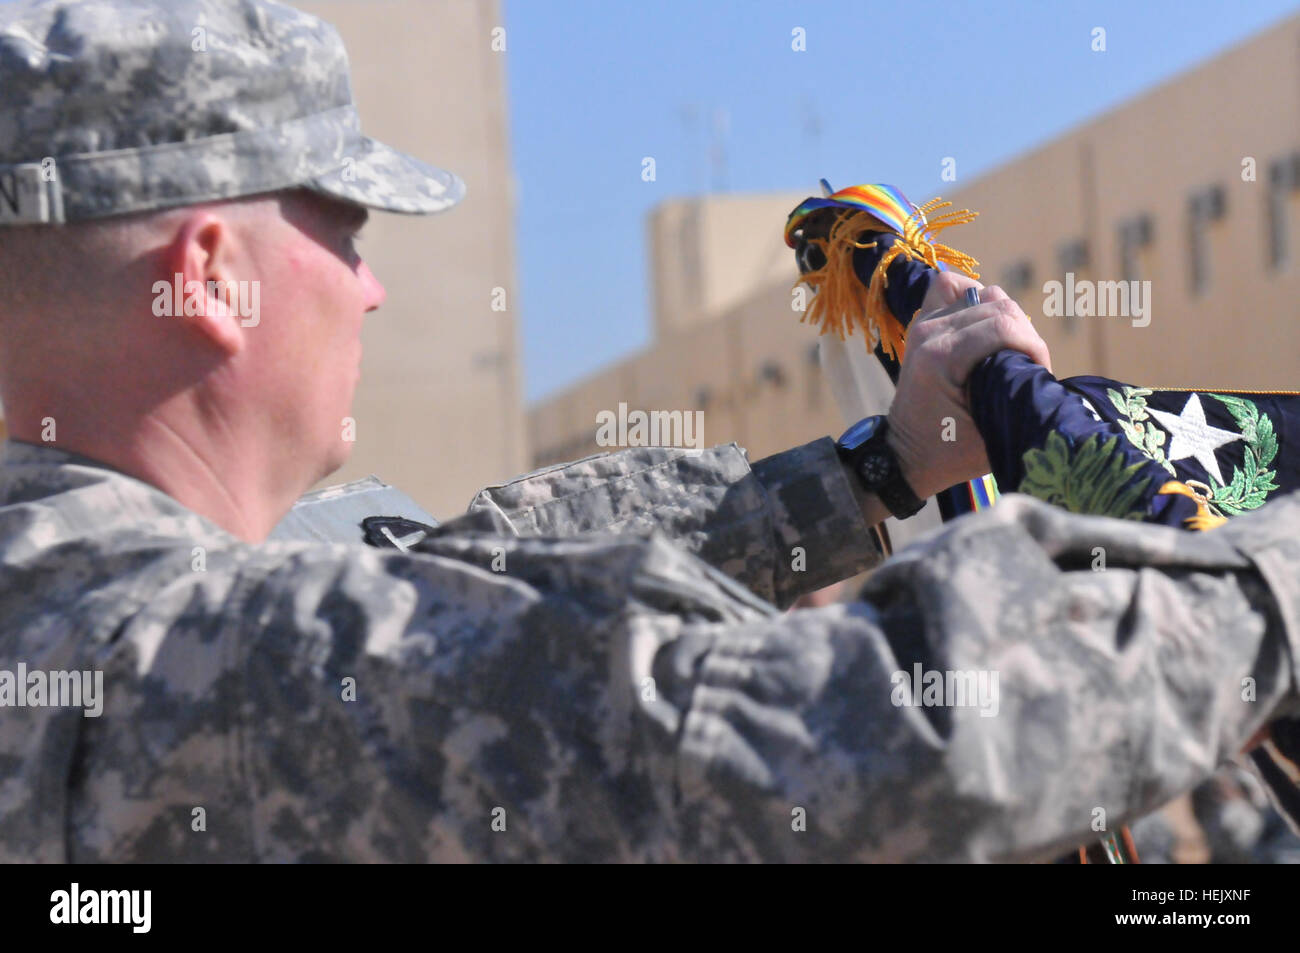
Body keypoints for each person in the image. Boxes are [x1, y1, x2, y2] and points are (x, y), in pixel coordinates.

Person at [0, 0, 1296, 863]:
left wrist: (880, 469)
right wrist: (1272, 581)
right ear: (211, 272)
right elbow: (868, 740)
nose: (369, 284)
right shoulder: (198, 664)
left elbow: (453, 565)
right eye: (340, 225)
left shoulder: (95, 589)